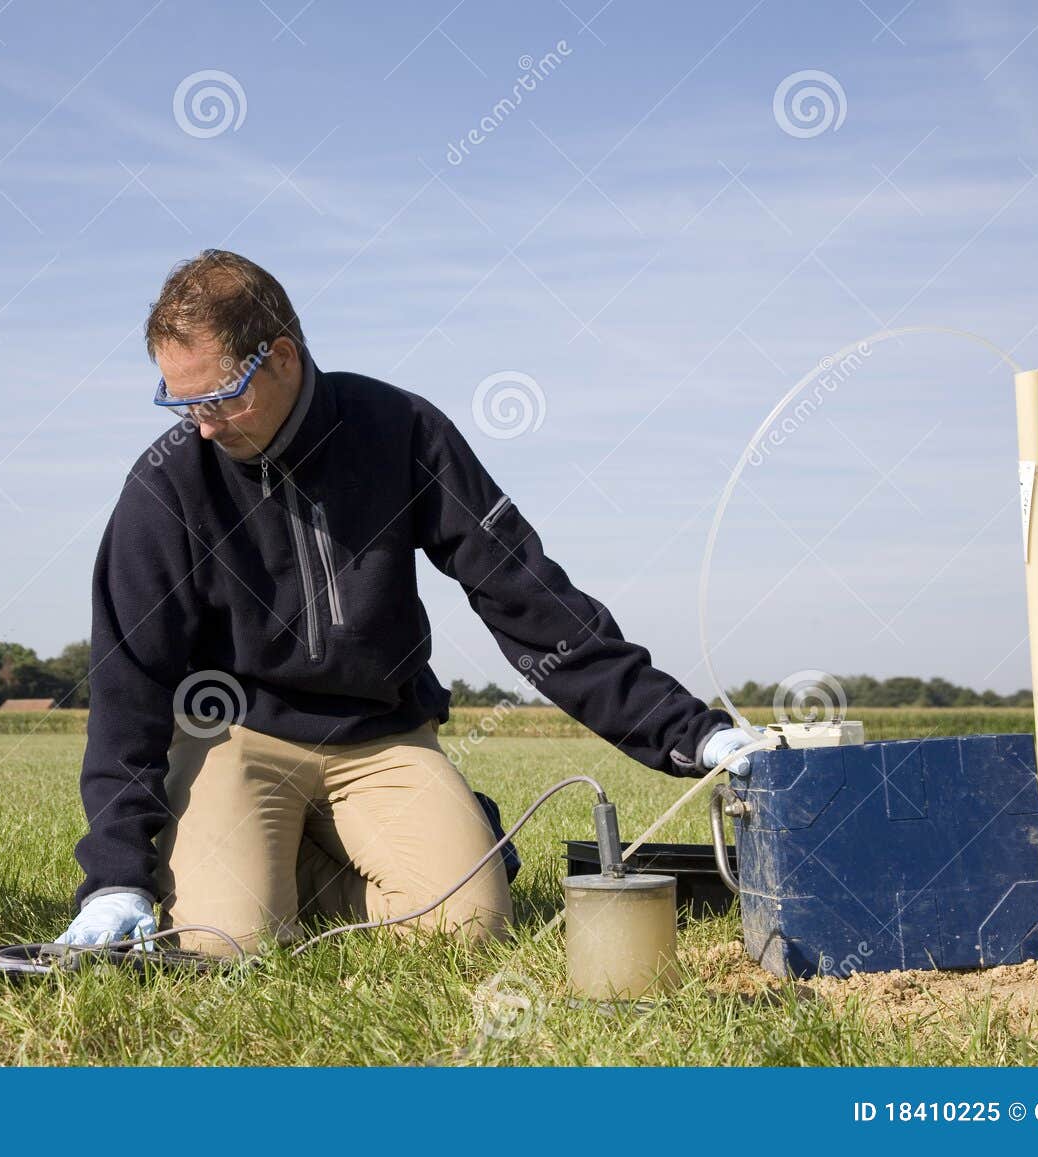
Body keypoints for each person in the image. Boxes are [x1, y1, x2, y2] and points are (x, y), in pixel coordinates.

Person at [58, 250, 751, 954]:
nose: (202, 424)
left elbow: (526, 595)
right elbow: (127, 686)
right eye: (181, 400)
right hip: (236, 737)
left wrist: (689, 731)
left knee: (467, 929)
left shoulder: (401, 430)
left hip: (382, 737)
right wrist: (115, 876)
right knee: (222, 942)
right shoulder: (167, 485)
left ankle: (372, 851)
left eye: (219, 396)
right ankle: (256, 865)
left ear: (283, 358)